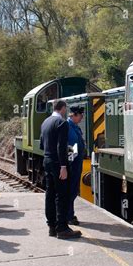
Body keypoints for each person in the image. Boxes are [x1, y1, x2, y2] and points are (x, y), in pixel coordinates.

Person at [40, 100, 82, 239]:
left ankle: (52, 226)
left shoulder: (45, 122)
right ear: (63, 108)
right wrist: (63, 166)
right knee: (62, 195)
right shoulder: (62, 123)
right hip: (58, 163)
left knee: (50, 194)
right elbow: (61, 146)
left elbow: (42, 145)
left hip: (47, 161)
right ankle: (62, 228)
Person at [66, 106, 86, 226]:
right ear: (74, 115)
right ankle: (69, 215)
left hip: (76, 163)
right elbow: (70, 148)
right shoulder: (68, 127)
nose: (82, 118)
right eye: (80, 116)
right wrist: (69, 165)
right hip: (73, 164)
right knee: (71, 190)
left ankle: (70, 214)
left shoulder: (74, 127)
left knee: (73, 190)